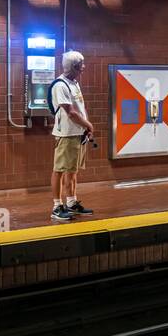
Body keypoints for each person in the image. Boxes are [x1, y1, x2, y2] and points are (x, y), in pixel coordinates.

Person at [50, 51, 95, 221]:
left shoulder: (74, 83)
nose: (84, 67)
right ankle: (56, 207)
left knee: (72, 170)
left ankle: (71, 202)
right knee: (60, 169)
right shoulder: (60, 85)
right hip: (67, 134)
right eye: (82, 64)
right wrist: (88, 125)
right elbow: (71, 112)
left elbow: (80, 108)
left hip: (78, 133)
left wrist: (85, 128)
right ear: (75, 66)